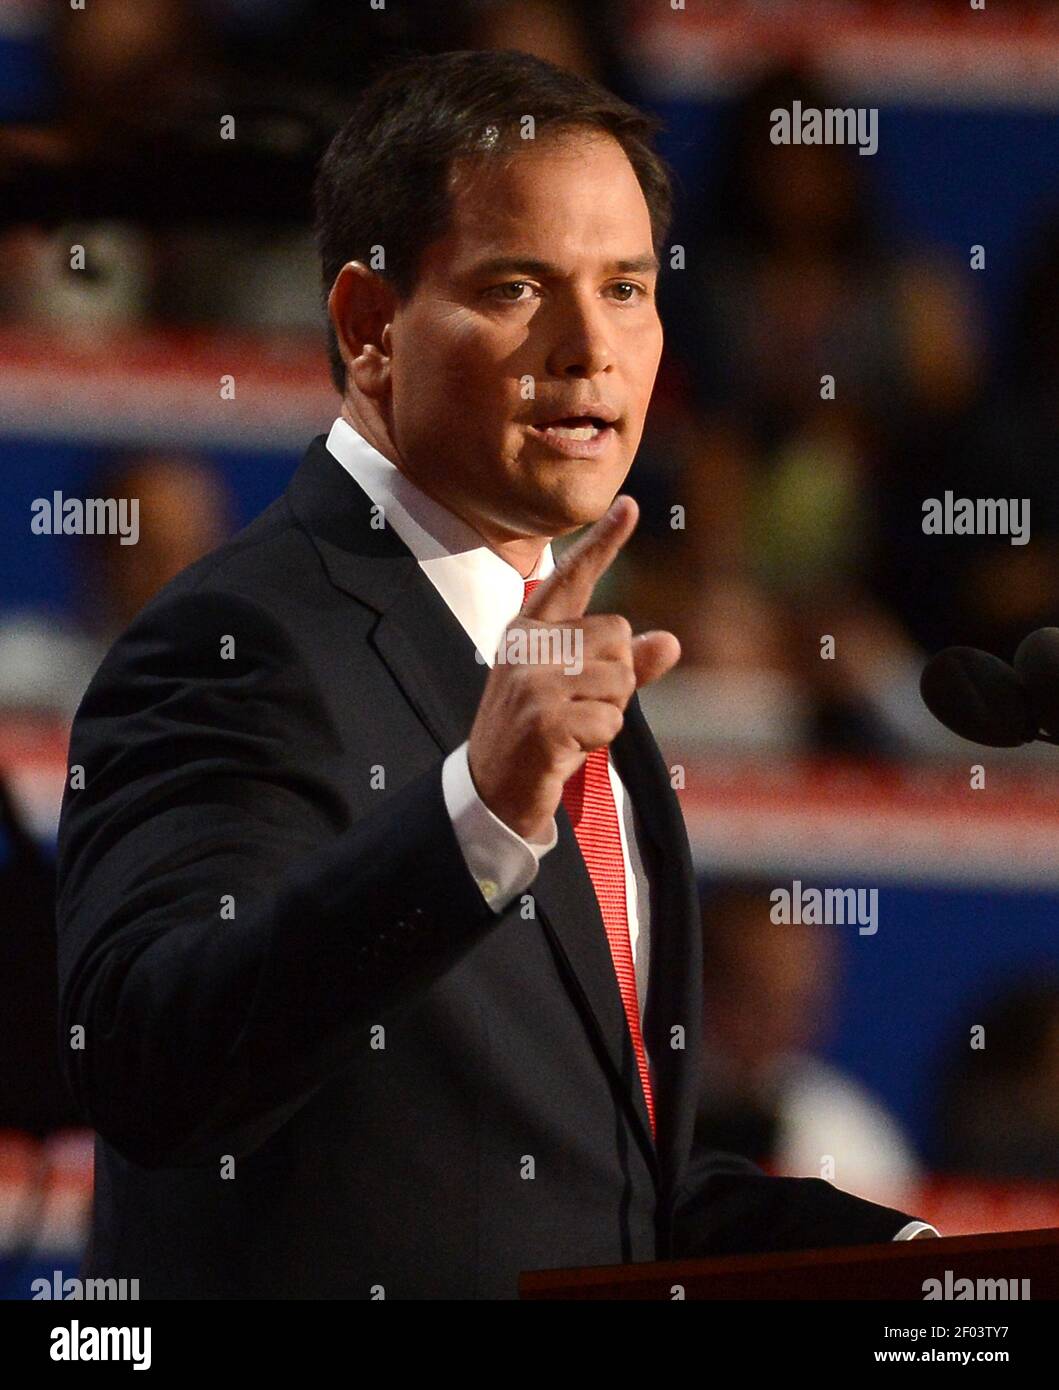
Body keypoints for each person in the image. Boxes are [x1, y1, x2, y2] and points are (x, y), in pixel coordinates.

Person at [54, 50, 935, 1301]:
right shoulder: (236, 645)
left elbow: (584, 1182)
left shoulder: (562, 666)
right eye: (520, 285)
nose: (592, 348)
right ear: (369, 329)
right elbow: (151, 1067)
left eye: (627, 287)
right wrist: (478, 810)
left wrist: (901, 1260)